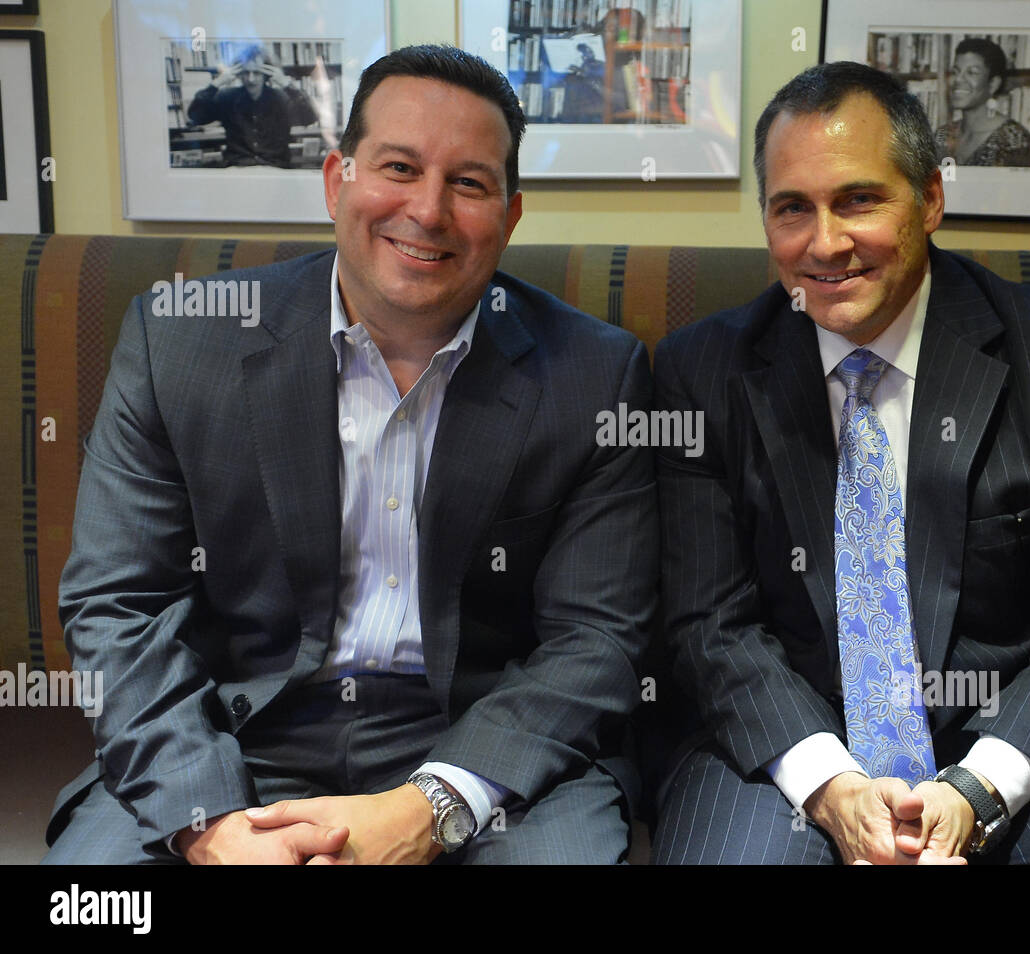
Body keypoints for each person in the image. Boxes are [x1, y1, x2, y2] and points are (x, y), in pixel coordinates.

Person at [44, 44, 656, 865]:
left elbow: (597, 639)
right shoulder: (179, 340)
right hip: (233, 730)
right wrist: (208, 822)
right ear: (337, 181)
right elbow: (117, 604)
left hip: (485, 743)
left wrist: (430, 806)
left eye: (469, 183)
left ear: (509, 217)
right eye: (398, 167)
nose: (428, 211)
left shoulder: (594, 373)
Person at [650, 61, 1030, 865]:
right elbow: (708, 625)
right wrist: (831, 783)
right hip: (787, 736)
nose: (825, 243)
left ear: (929, 199)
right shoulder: (701, 370)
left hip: (1029, 734)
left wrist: (978, 787)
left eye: (858, 199)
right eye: (793, 210)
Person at [186, 45, 319, 167]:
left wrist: (287, 85)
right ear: (238, 73)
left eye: (257, 73)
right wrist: (216, 84)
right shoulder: (227, 97)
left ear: (266, 74)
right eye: (246, 73)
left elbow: (310, 118)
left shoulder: (282, 97)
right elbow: (196, 117)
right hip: (238, 167)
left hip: (274, 167)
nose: (251, 79)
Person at [934, 37, 1030, 167]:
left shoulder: (1013, 141)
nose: (958, 79)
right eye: (955, 71)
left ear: (993, 84)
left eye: (972, 72)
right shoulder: (941, 137)